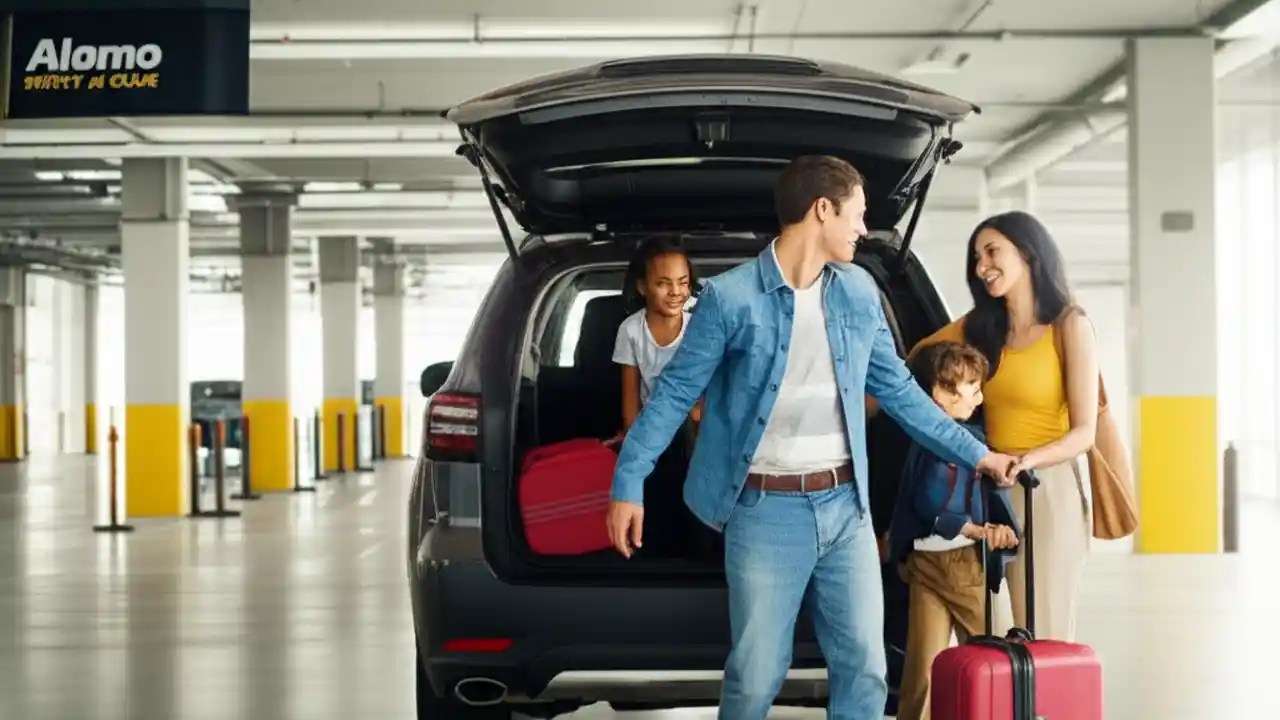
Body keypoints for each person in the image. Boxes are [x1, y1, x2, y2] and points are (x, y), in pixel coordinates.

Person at [606, 154, 1019, 720]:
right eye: (856, 214)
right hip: (763, 509)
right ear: (821, 210)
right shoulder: (731, 299)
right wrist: (628, 481)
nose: (862, 229)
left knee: (865, 669)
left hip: (845, 507)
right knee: (755, 676)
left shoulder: (858, 291)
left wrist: (979, 455)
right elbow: (675, 395)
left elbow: (898, 390)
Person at [910, 210, 1098, 643]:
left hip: (1046, 488)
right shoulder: (978, 328)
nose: (981, 266)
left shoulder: (1069, 325)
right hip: (989, 487)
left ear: (1028, 254)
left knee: (1044, 626)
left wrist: (1027, 458)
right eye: (976, 257)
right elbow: (913, 359)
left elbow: (1084, 432)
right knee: (992, 630)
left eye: (992, 251)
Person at [888, 340, 1021, 720]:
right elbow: (933, 505)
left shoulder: (919, 438)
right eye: (972, 389)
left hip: (923, 560)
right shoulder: (957, 444)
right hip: (958, 561)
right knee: (998, 655)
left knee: (923, 670)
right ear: (940, 393)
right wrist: (982, 531)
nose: (978, 400)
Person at [613, 236, 703, 430]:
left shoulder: (701, 323)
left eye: (683, 283)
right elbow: (630, 402)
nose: (675, 292)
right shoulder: (631, 330)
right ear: (642, 287)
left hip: (698, 428)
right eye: (663, 284)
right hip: (653, 429)